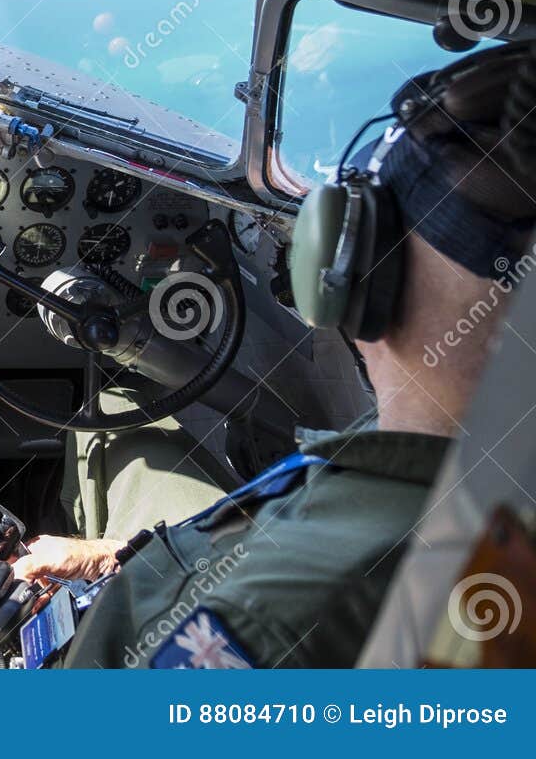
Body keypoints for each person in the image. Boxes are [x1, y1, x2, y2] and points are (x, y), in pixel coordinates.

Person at [27, 41, 536, 667]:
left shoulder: (269, 626)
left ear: (359, 275)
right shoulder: (447, 441)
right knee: (115, 404)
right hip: (169, 572)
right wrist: (110, 558)